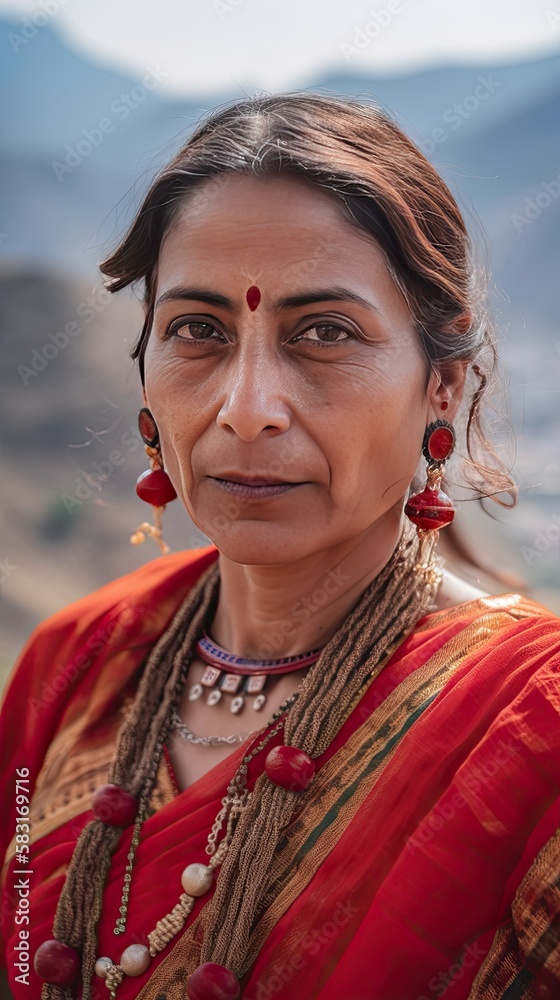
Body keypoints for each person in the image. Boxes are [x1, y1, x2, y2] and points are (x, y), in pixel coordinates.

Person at [1, 92, 559, 1000]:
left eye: (325, 333)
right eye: (199, 331)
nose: (247, 408)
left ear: (443, 387)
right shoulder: (76, 663)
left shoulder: (531, 733)